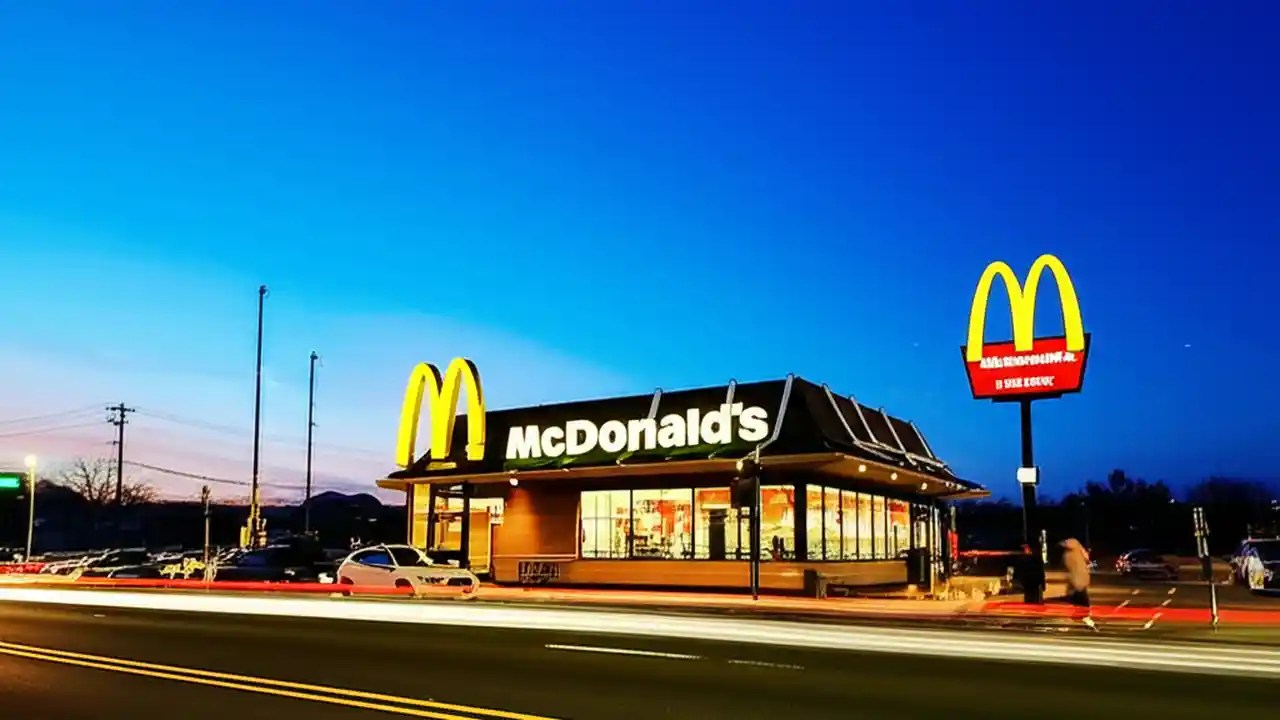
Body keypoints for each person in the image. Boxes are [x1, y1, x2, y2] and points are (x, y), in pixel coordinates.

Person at [1060, 538, 1097, 630]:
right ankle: (1087, 623)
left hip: (1075, 583)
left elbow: (1068, 569)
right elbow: (1087, 559)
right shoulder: (1080, 550)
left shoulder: (1066, 555)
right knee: (1084, 605)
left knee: (1079, 604)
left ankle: (1083, 623)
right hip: (1082, 581)